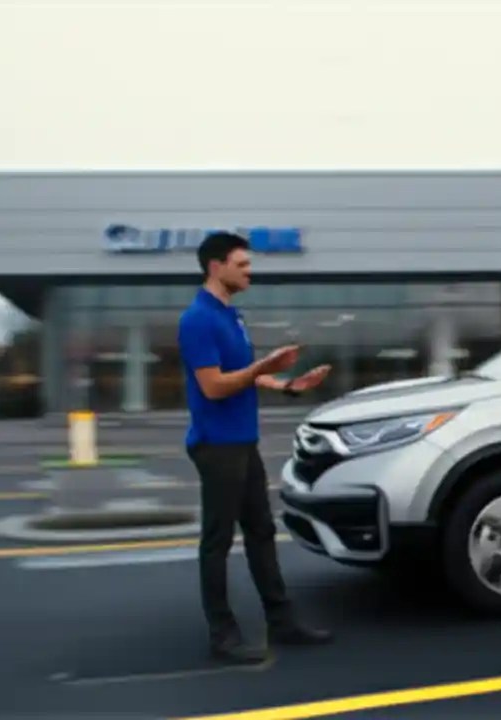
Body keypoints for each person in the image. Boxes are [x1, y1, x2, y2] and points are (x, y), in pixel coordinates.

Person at [177, 231, 334, 664]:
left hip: (244, 443)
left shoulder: (232, 315)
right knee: (218, 541)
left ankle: (281, 621)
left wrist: (286, 385)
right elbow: (213, 386)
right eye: (241, 264)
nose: (249, 271)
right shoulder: (197, 320)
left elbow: (244, 375)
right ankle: (222, 636)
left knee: (262, 533)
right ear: (216, 267)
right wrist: (263, 365)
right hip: (217, 446)